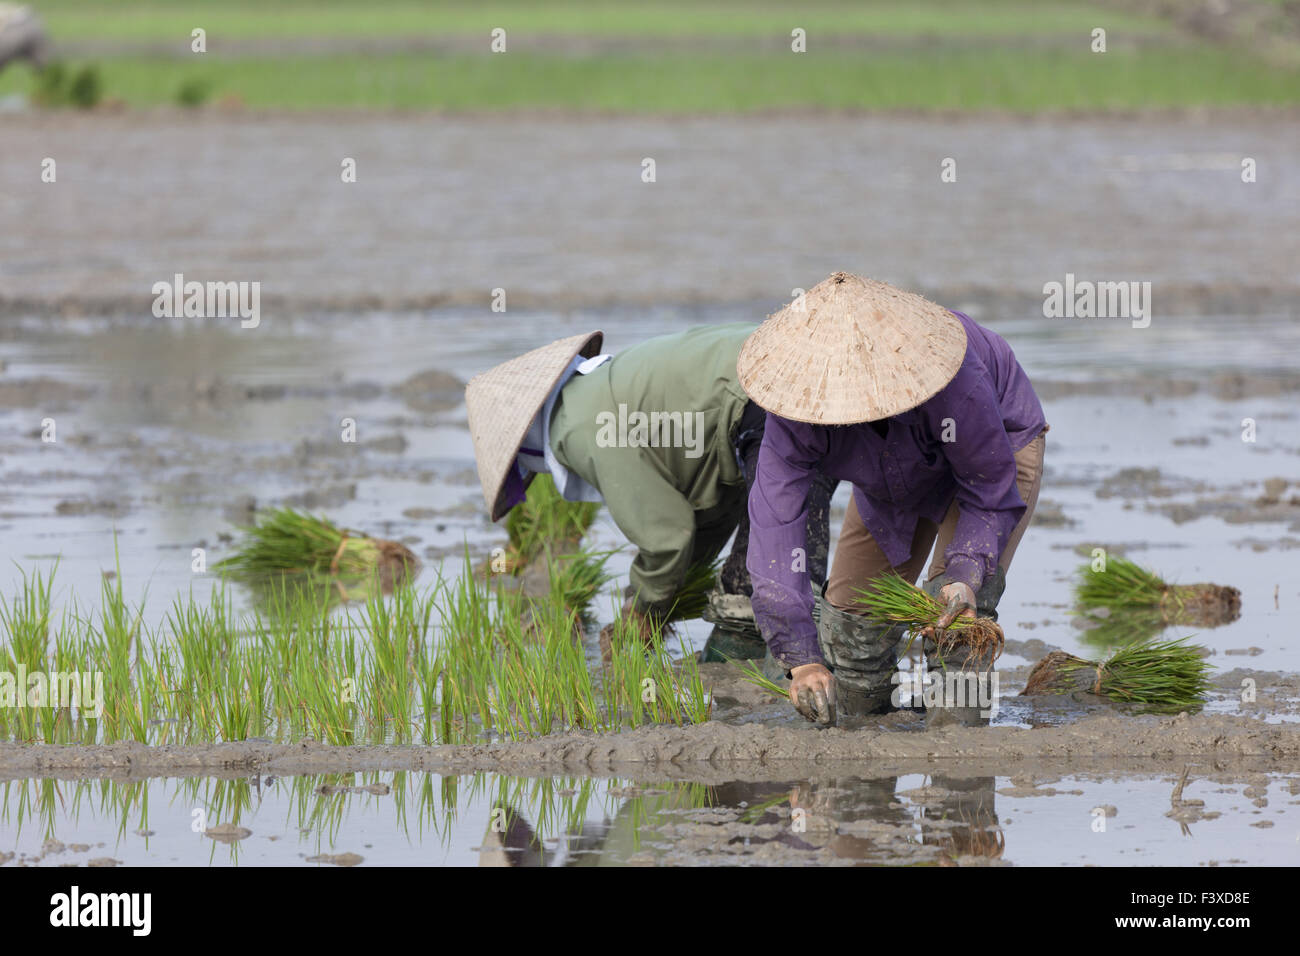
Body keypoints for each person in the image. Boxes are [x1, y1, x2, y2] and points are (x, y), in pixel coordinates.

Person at [740, 273, 1048, 725]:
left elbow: (988, 488)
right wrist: (801, 658)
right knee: (851, 627)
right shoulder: (797, 412)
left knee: (957, 615)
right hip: (886, 476)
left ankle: (961, 760)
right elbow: (774, 527)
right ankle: (868, 725)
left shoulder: (953, 377)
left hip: (993, 453)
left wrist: (964, 574)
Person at [464, 325, 835, 658]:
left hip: (771, 399)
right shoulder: (599, 391)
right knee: (746, 590)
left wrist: (641, 610)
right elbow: (710, 510)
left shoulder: (578, 429)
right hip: (794, 377)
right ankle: (764, 674)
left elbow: (666, 535)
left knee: (790, 582)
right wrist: (667, 594)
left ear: (523, 448)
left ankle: (817, 693)